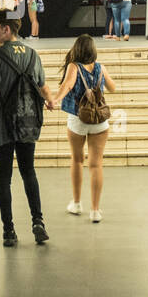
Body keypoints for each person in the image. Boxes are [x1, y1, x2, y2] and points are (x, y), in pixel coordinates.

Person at [0, 11, 57, 246]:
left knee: (4, 178)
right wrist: (50, 101)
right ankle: (38, 221)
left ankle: (9, 231)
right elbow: (43, 86)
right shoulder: (32, 54)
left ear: (6, 29)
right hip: (27, 123)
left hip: (2, 125)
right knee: (28, 172)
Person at [50, 34, 117, 222]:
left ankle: (77, 204)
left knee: (77, 160)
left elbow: (67, 84)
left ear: (77, 49)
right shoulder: (100, 68)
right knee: (96, 164)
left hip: (78, 120)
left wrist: (55, 99)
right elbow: (113, 88)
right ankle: (95, 210)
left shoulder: (74, 66)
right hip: (99, 122)